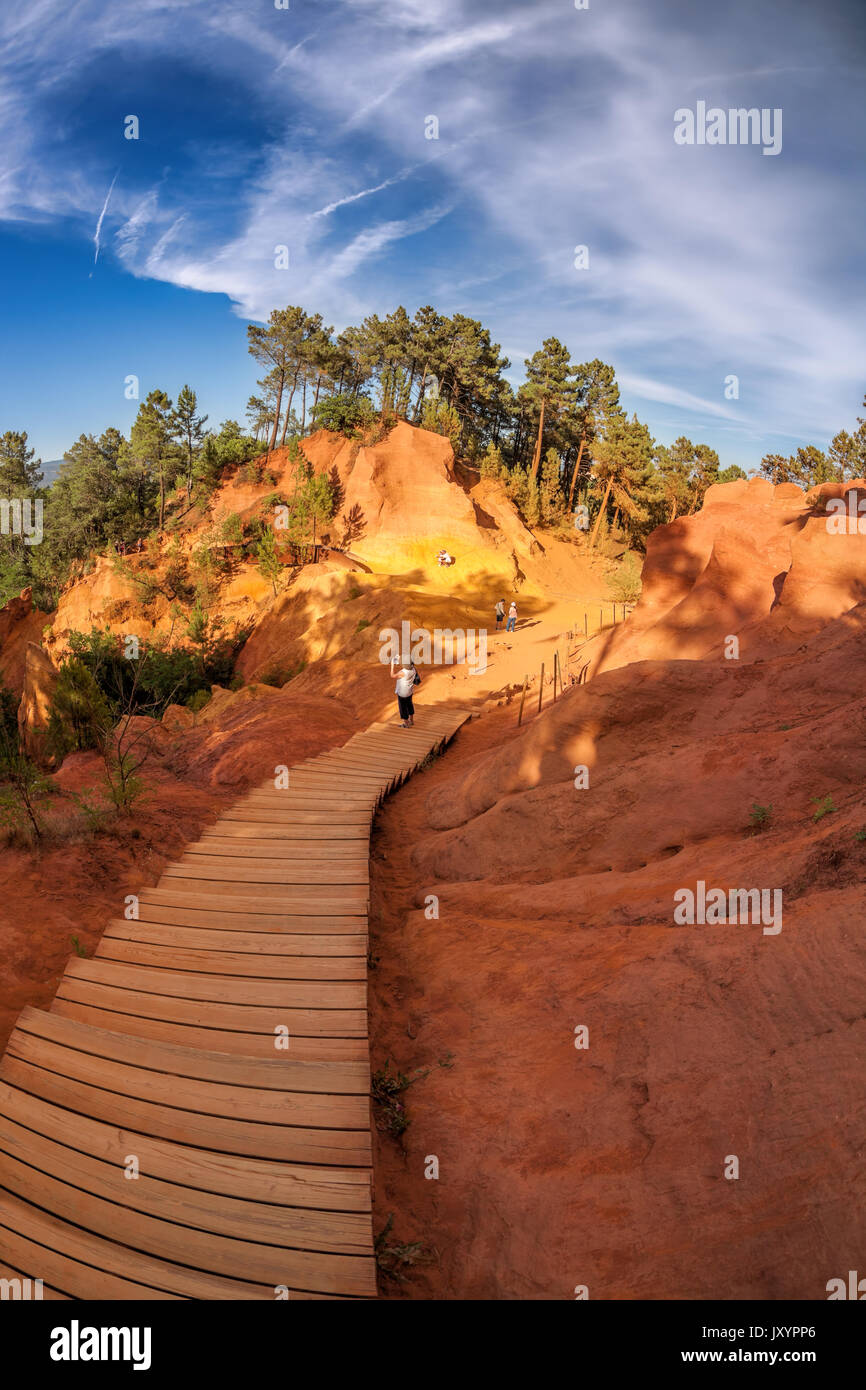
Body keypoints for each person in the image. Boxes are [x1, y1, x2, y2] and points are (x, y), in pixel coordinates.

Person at [390, 655, 420, 727]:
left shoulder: (403, 673)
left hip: (402, 693)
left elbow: (392, 675)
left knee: (403, 708)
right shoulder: (413, 669)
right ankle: (411, 720)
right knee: (409, 705)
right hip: (409, 692)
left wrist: (392, 666)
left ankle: (406, 723)